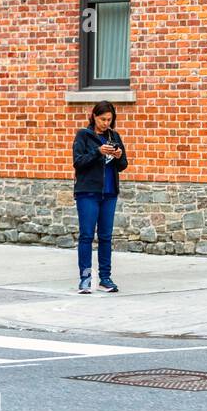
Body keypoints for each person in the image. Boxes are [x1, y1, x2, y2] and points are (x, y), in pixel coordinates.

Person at [72, 101, 129, 294]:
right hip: (88, 192)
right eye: (103, 119)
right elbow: (78, 162)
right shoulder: (83, 136)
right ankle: (86, 279)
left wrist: (119, 155)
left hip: (109, 193)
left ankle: (105, 278)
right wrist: (98, 152)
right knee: (87, 235)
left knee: (105, 237)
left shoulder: (114, 136)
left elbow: (122, 165)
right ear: (94, 116)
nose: (106, 123)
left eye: (109, 120)